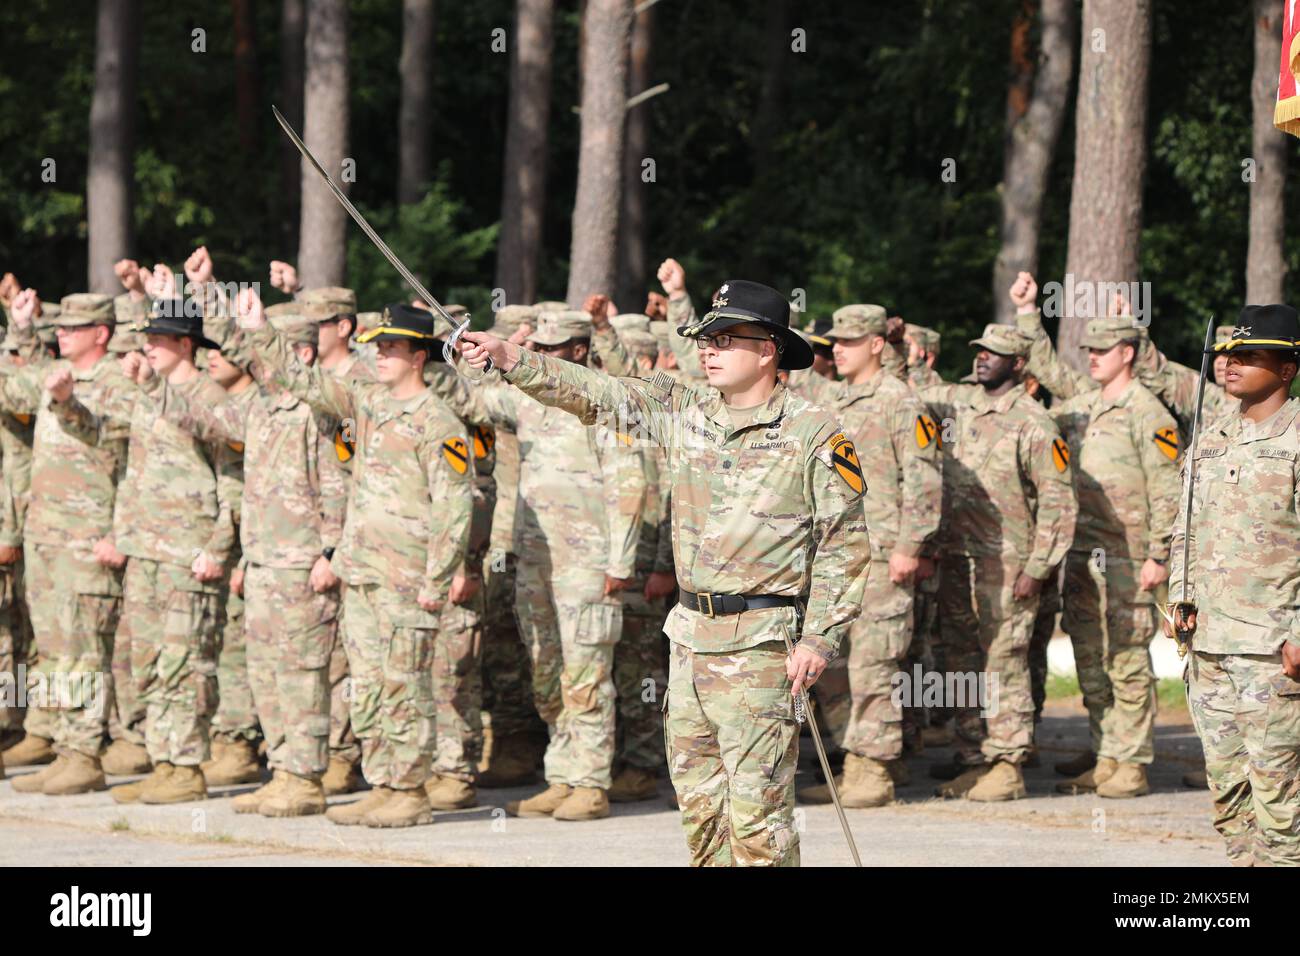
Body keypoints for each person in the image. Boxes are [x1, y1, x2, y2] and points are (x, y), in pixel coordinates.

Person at [457, 277, 870, 866]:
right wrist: (510, 358)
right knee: (701, 812)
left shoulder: (812, 433)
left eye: (728, 338)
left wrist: (820, 638)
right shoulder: (685, 411)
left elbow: (844, 544)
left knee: (757, 820)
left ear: (769, 349)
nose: (709, 348)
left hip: (762, 647)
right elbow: (597, 392)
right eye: (706, 337)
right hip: (689, 639)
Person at [236, 290, 473, 828]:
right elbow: (303, 382)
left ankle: (411, 789)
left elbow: (454, 508)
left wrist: (437, 579)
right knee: (367, 686)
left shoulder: (439, 423)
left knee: (405, 685)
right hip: (363, 572)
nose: (381, 353)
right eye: (378, 344)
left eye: (392, 346)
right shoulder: (367, 404)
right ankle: (384, 781)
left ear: (419, 356)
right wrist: (258, 330)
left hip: (409, 577)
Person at [146, 301, 348, 817]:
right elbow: (204, 417)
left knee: (302, 674)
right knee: (266, 674)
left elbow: (338, 486)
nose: (256, 359)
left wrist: (331, 551)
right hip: (262, 563)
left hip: (303, 564)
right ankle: (282, 771)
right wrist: (151, 384)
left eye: (269, 349)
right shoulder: (260, 407)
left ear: (300, 353)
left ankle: (305, 777)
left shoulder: (319, 410)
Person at [919, 323, 1077, 801]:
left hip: (1008, 567)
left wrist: (1038, 568)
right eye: (980, 350)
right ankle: (974, 757)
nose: (983, 358)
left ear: (1019, 364)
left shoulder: (1034, 423)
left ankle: (1008, 762)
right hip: (958, 562)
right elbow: (911, 392)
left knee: (1003, 664)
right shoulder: (959, 410)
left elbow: (1058, 502)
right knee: (961, 663)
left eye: (996, 353)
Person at [1167, 305, 1300, 867]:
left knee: (1280, 799)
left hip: (1270, 648)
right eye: (1227, 355)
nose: (1231, 365)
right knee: (1229, 795)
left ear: (1288, 368)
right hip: (1209, 643)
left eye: (1250, 356)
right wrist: (1179, 597)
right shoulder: (1212, 434)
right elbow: (1184, 526)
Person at [797, 302, 941, 808]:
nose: (836, 348)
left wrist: (909, 545)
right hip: (836, 558)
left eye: (849, 341)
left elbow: (924, 480)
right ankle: (849, 760)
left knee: (875, 667)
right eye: (834, 341)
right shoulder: (834, 398)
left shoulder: (902, 402)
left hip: (883, 557)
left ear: (877, 344)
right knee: (833, 665)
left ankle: (873, 771)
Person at [0, 292, 134, 795]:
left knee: (82, 649)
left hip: (86, 537)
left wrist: (66, 403)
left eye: (75, 328)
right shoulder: (53, 371)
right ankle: (64, 746)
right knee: (54, 650)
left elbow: (111, 438)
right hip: (46, 537)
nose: (65, 333)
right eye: (63, 327)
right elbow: (10, 388)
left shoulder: (118, 380)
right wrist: (20, 328)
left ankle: (85, 752)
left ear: (101, 333)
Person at [1045, 315, 1180, 798]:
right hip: (1083, 554)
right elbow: (1046, 372)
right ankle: (1106, 753)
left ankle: (1133, 762)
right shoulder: (1080, 407)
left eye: (1103, 349)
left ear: (1128, 352)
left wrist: (1159, 554)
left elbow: (1167, 488)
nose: (1093, 357)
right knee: (1091, 656)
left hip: (1128, 557)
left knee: (1127, 659)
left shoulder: (1148, 412)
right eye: (1090, 350)